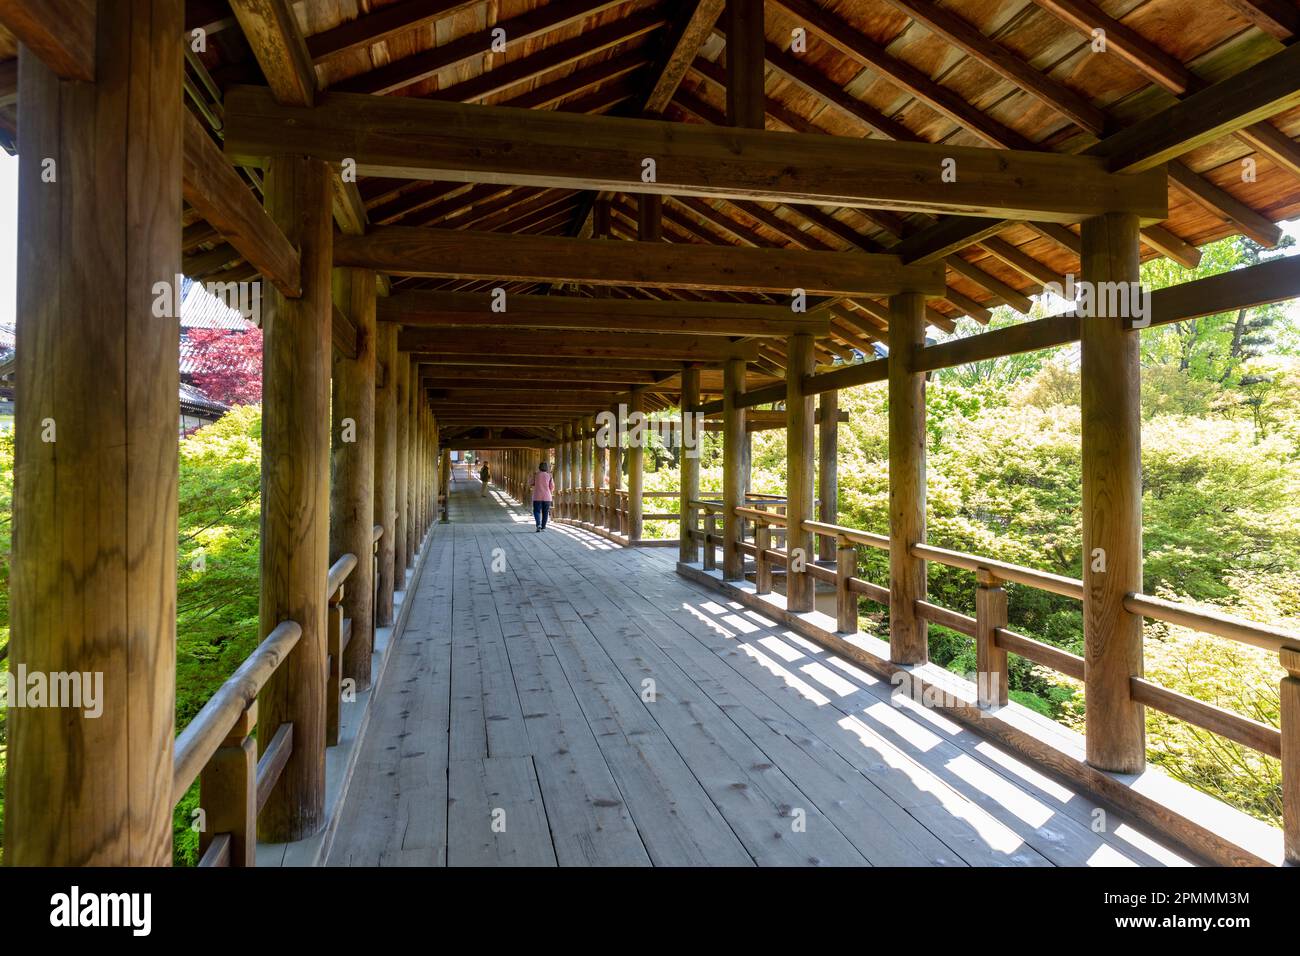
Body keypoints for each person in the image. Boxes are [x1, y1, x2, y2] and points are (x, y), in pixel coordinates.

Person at [531, 461, 554, 531]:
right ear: (547, 468)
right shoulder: (549, 476)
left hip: (537, 496)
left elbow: (531, 483)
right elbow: (552, 487)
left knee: (536, 511)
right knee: (545, 512)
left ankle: (538, 525)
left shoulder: (536, 475)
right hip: (547, 497)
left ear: (539, 468)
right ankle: (543, 527)